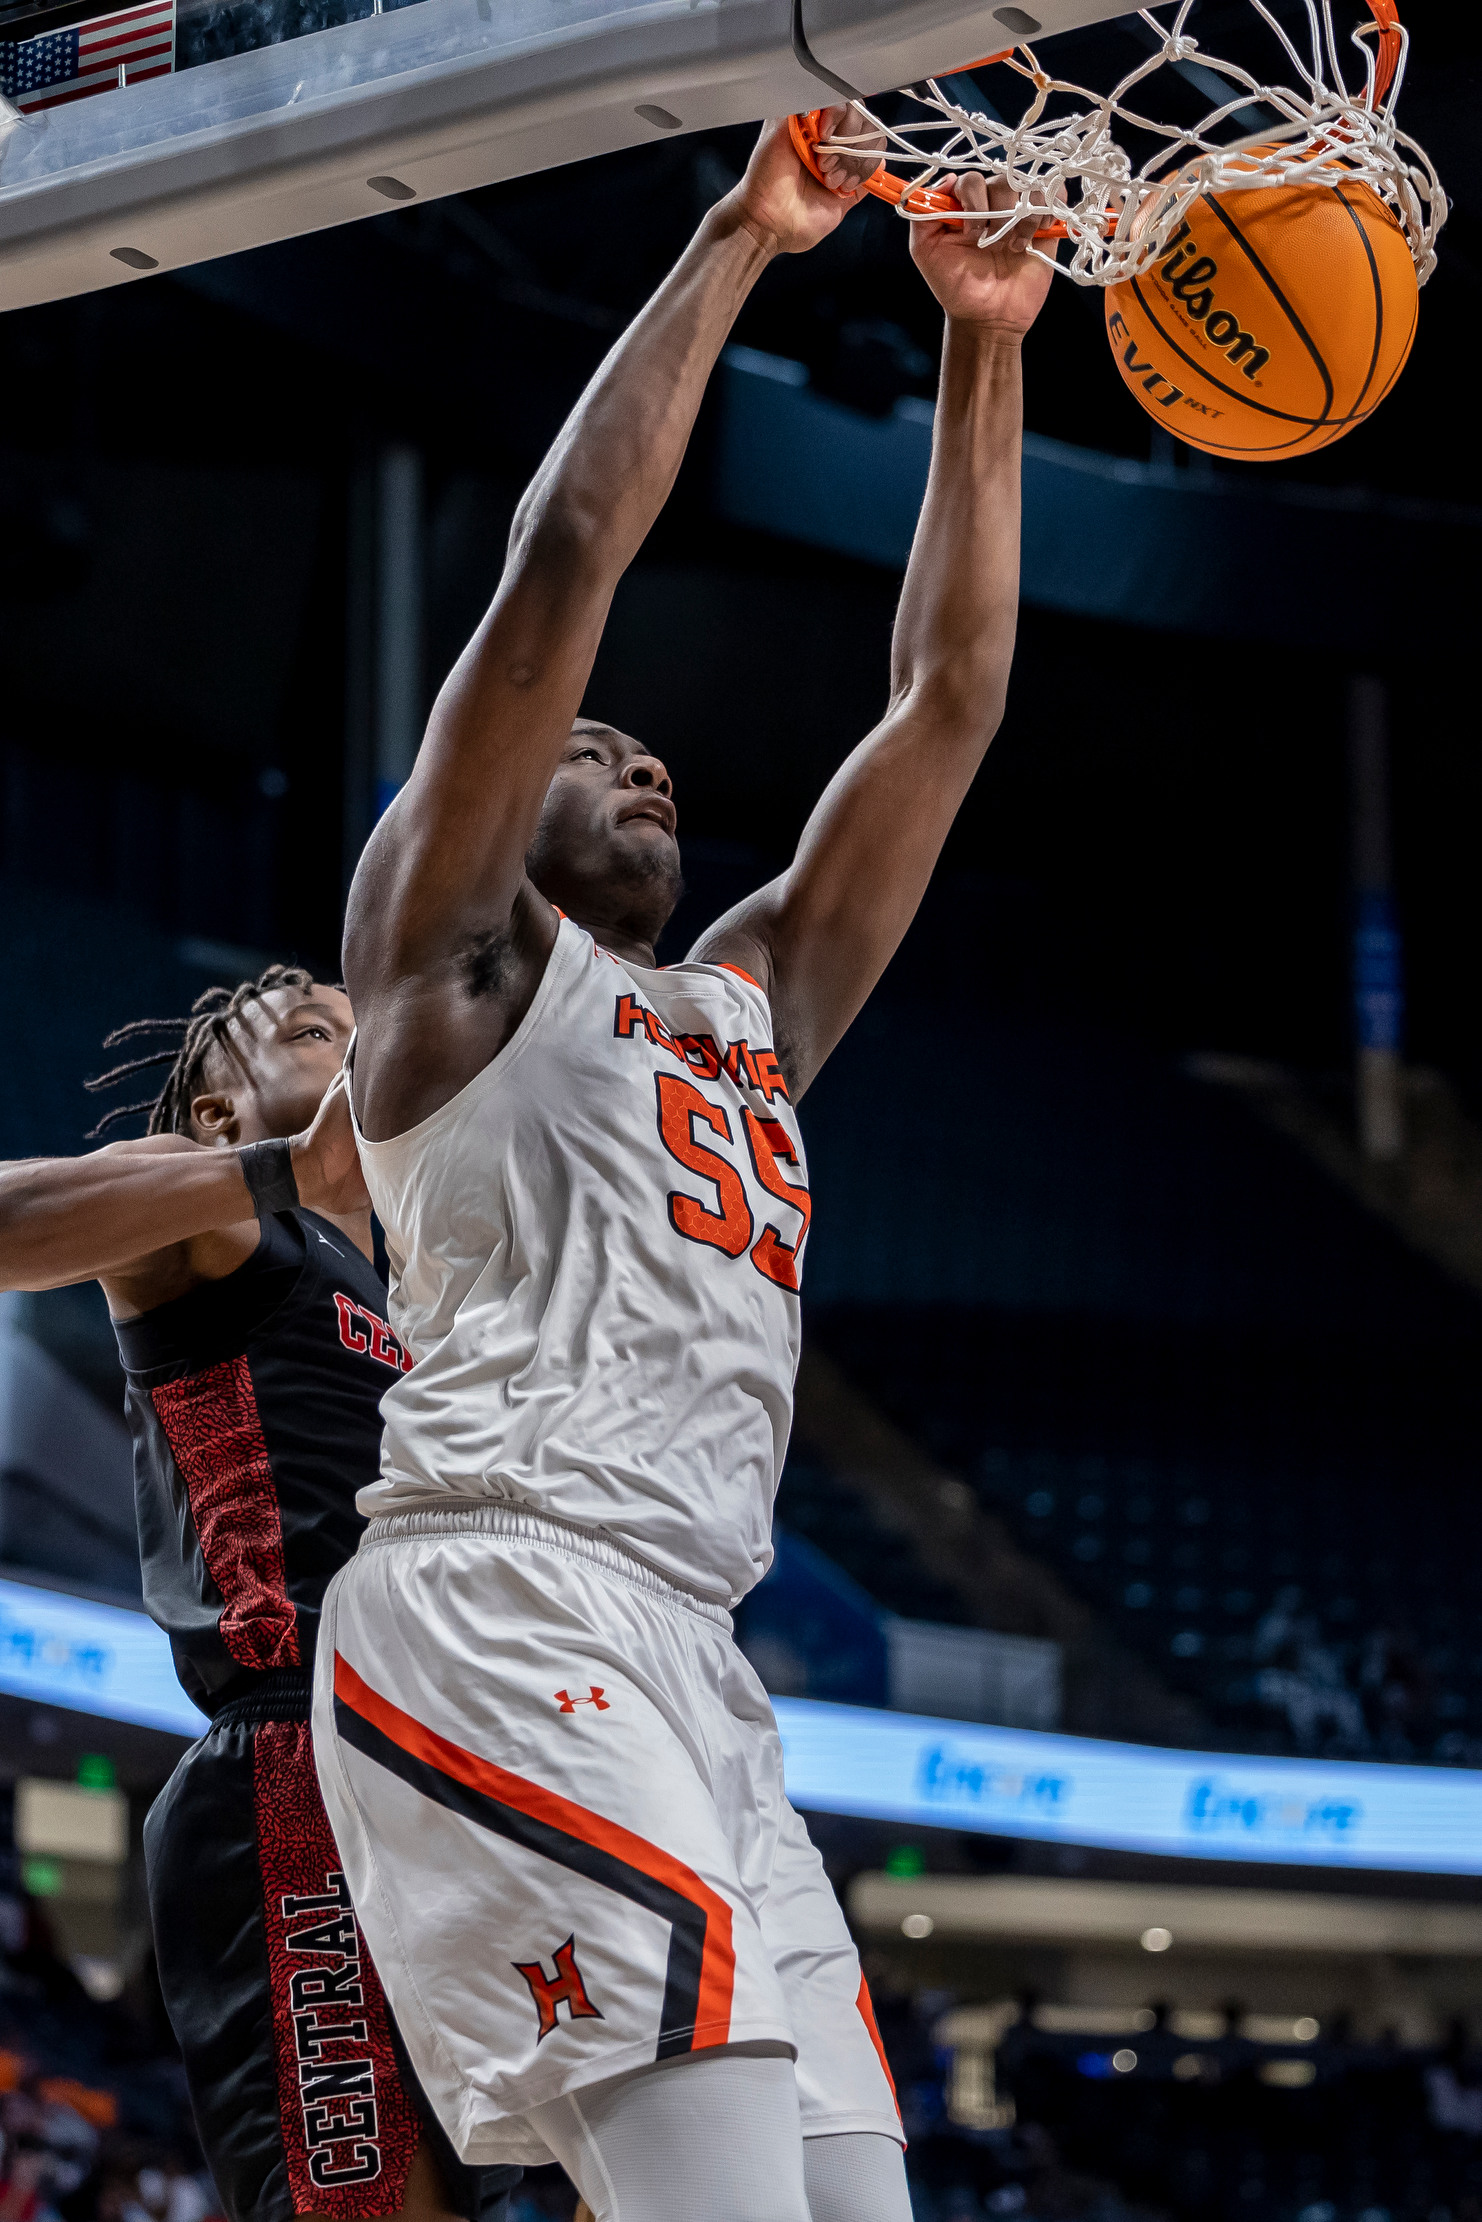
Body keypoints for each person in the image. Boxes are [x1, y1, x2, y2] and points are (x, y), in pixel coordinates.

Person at [315, 107, 1052, 2222]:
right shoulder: (449, 959)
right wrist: (745, 229)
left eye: (658, 755)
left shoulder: (750, 1006)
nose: (638, 753)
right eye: (590, 742)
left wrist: (987, 346)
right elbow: (565, 566)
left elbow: (950, 699)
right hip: (504, 1586)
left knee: (854, 2204)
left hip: (698, 1659)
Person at [0, 971, 521, 2222]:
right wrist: (282, 1170)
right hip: (300, 1764)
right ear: (220, 1115)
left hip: (457, 1778)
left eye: (362, 1033)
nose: (357, 1055)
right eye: (308, 1036)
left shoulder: (441, 1301)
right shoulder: (223, 1216)